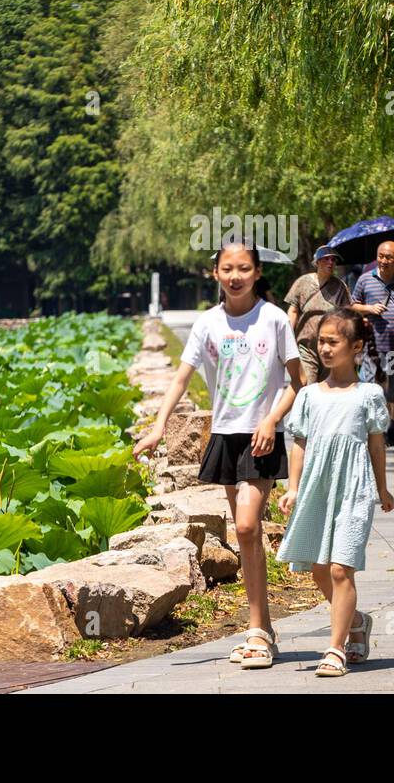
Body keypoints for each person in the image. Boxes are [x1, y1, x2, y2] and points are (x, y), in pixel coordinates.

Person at [135, 242, 301, 668]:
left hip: (261, 436)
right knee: (245, 534)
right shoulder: (207, 323)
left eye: (243, 268)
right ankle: (261, 627)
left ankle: (257, 630)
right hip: (225, 436)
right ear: (215, 274)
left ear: (257, 272)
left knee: (246, 526)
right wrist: (158, 426)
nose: (235, 276)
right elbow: (180, 378)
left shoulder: (274, 319)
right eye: (227, 269)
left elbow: (298, 382)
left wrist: (271, 421)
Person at [277, 307, 393, 677]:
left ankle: (335, 648)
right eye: (320, 342)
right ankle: (356, 620)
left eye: (333, 341)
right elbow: (300, 443)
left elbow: (377, 444)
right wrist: (293, 488)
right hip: (316, 486)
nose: (325, 349)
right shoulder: (309, 395)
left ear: (356, 346)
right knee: (318, 569)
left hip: (354, 487)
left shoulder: (369, 394)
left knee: (342, 568)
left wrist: (382, 487)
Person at [350, 240, 394, 446]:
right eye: (381, 256)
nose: (383, 260)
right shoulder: (365, 280)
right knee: (372, 388)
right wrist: (369, 309)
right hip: (373, 346)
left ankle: (392, 428)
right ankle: (373, 431)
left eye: (389, 257)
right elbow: (353, 305)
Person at [284, 245, 352, 386]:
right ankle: (302, 408)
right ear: (318, 262)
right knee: (307, 383)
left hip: (330, 345)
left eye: (333, 260)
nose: (330, 262)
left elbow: (346, 314)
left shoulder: (340, 286)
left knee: (325, 386)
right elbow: (294, 310)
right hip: (306, 344)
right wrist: (287, 334)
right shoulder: (302, 282)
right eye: (326, 259)